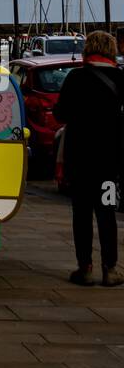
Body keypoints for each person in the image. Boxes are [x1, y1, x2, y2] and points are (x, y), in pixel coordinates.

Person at [53, 30, 124, 287]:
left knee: (81, 214)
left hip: (79, 162)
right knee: (106, 213)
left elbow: (60, 114)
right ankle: (111, 268)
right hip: (109, 163)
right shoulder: (120, 79)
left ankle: (85, 267)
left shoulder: (76, 78)